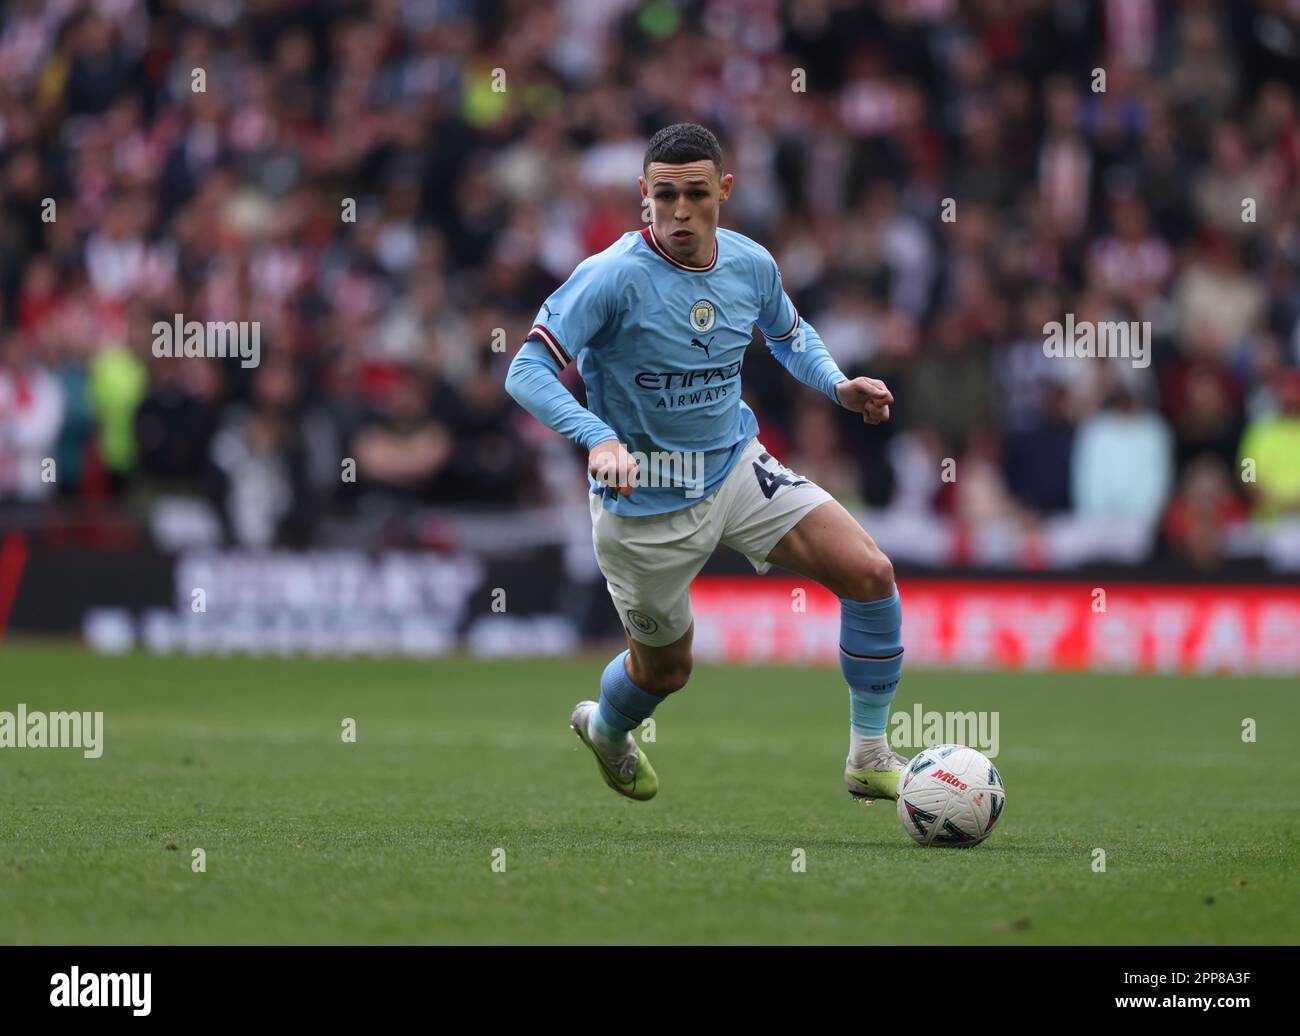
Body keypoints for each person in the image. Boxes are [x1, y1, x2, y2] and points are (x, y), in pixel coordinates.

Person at [505, 124, 906, 803]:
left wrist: (838, 383)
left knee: (870, 572)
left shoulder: (751, 264)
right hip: (646, 505)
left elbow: (788, 335)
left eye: (695, 193)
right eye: (665, 196)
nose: (680, 211)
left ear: (724, 189)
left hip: (734, 467)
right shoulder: (611, 277)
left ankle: (868, 754)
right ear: (643, 196)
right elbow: (527, 368)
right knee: (666, 673)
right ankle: (606, 729)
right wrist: (599, 438)